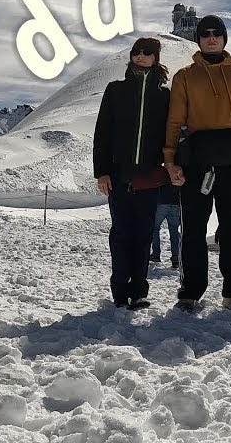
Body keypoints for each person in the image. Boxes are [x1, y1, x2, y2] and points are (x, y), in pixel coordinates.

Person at [164, 17, 231, 312]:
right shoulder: (185, 76)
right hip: (197, 164)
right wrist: (170, 161)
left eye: (216, 33)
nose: (211, 38)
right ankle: (190, 292)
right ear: (198, 39)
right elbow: (174, 122)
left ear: (224, 38)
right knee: (193, 228)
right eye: (205, 33)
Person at [94, 36, 172, 309]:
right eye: (136, 51)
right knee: (121, 234)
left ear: (155, 57)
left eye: (147, 52)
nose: (140, 56)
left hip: (148, 178)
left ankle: (139, 291)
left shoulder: (164, 96)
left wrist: (170, 165)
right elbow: (102, 133)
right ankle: (119, 291)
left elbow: (169, 137)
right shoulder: (115, 90)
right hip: (118, 176)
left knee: (143, 235)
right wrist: (102, 172)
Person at [150, 184, 182, 268]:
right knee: (174, 231)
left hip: (161, 201)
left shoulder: (163, 170)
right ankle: (175, 258)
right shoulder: (179, 171)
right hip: (176, 202)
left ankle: (156, 254)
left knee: (155, 228)